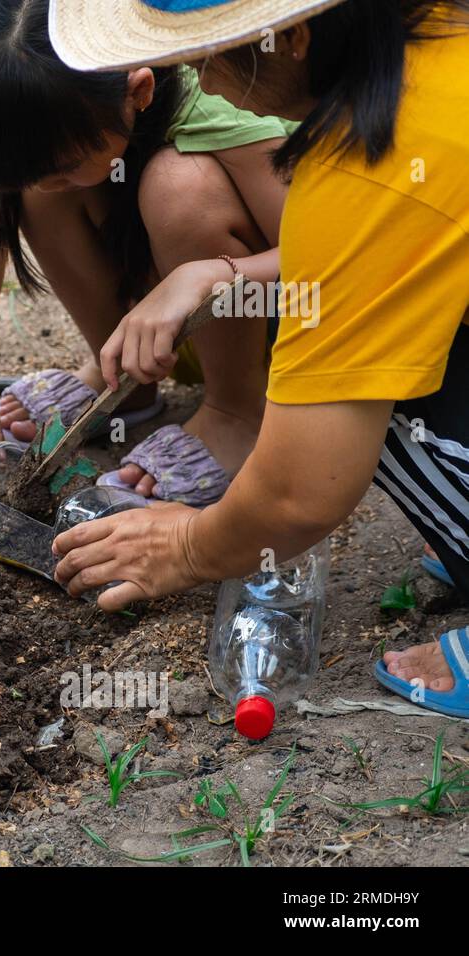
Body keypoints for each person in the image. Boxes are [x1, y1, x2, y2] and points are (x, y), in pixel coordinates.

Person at [48, 0, 469, 717]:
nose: (195, 77)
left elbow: (301, 490)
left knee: (379, 393)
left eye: (210, 52)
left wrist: (187, 546)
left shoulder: (367, 169)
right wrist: (226, 276)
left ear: (292, 36)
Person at [0, 0, 296, 506]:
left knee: (178, 187)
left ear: (139, 91)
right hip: (162, 331)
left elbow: (330, 255)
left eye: (65, 165)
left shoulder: (217, 101)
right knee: (34, 190)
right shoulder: (40, 117)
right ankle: (124, 383)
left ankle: (236, 413)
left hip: (268, 328)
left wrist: (213, 277)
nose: (48, 185)